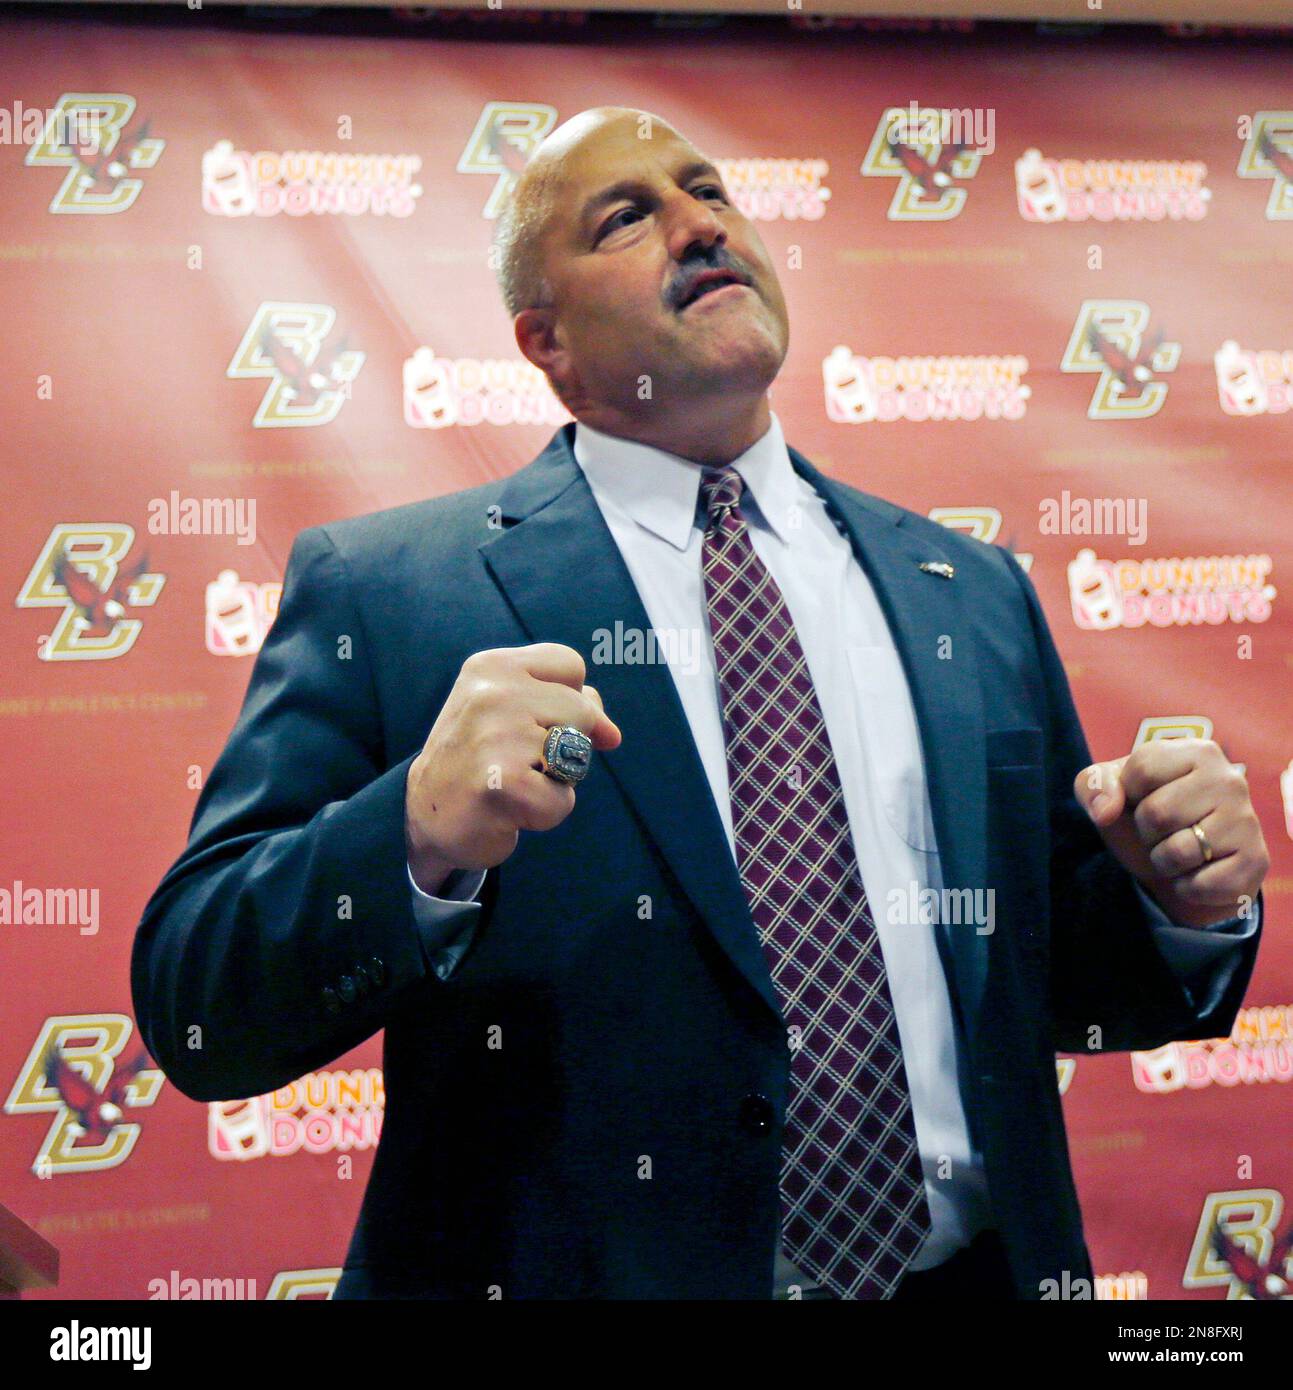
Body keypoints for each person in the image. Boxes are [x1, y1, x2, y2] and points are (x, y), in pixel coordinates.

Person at [131, 107, 1268, 1300]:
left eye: (710, 190)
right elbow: (198, 1004)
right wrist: (408, 832)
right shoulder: (390, 591)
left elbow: (1057, 985)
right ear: (546, 341)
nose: (698, 224)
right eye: (627, 217)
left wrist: (1175, 898)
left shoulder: (965, 586)